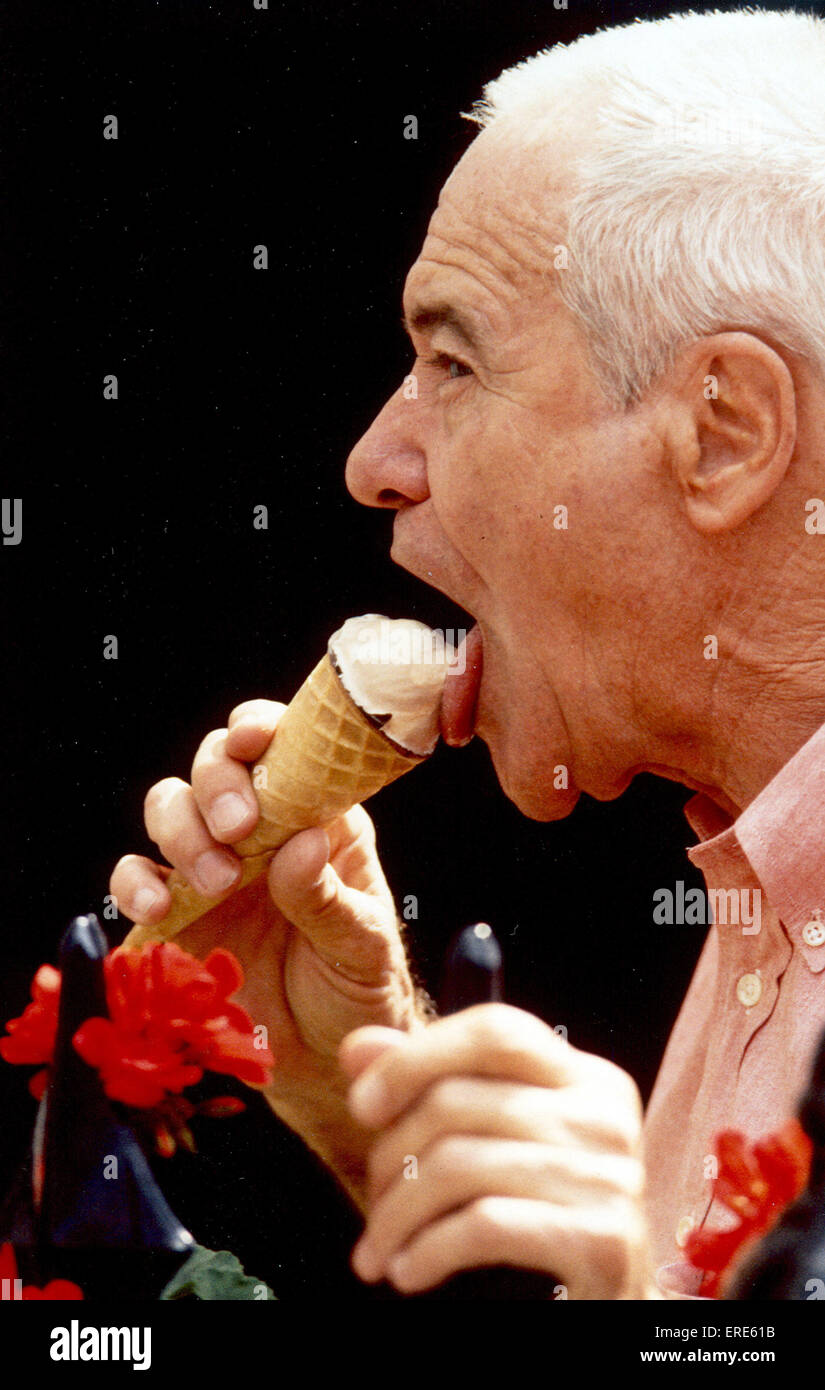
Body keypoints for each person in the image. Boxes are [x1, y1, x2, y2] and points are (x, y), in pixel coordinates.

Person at [110, 8, 825, 1299]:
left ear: (722, 431)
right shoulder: (767, 899)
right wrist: (372, 1097)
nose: (374, 463)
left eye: (453, 359)